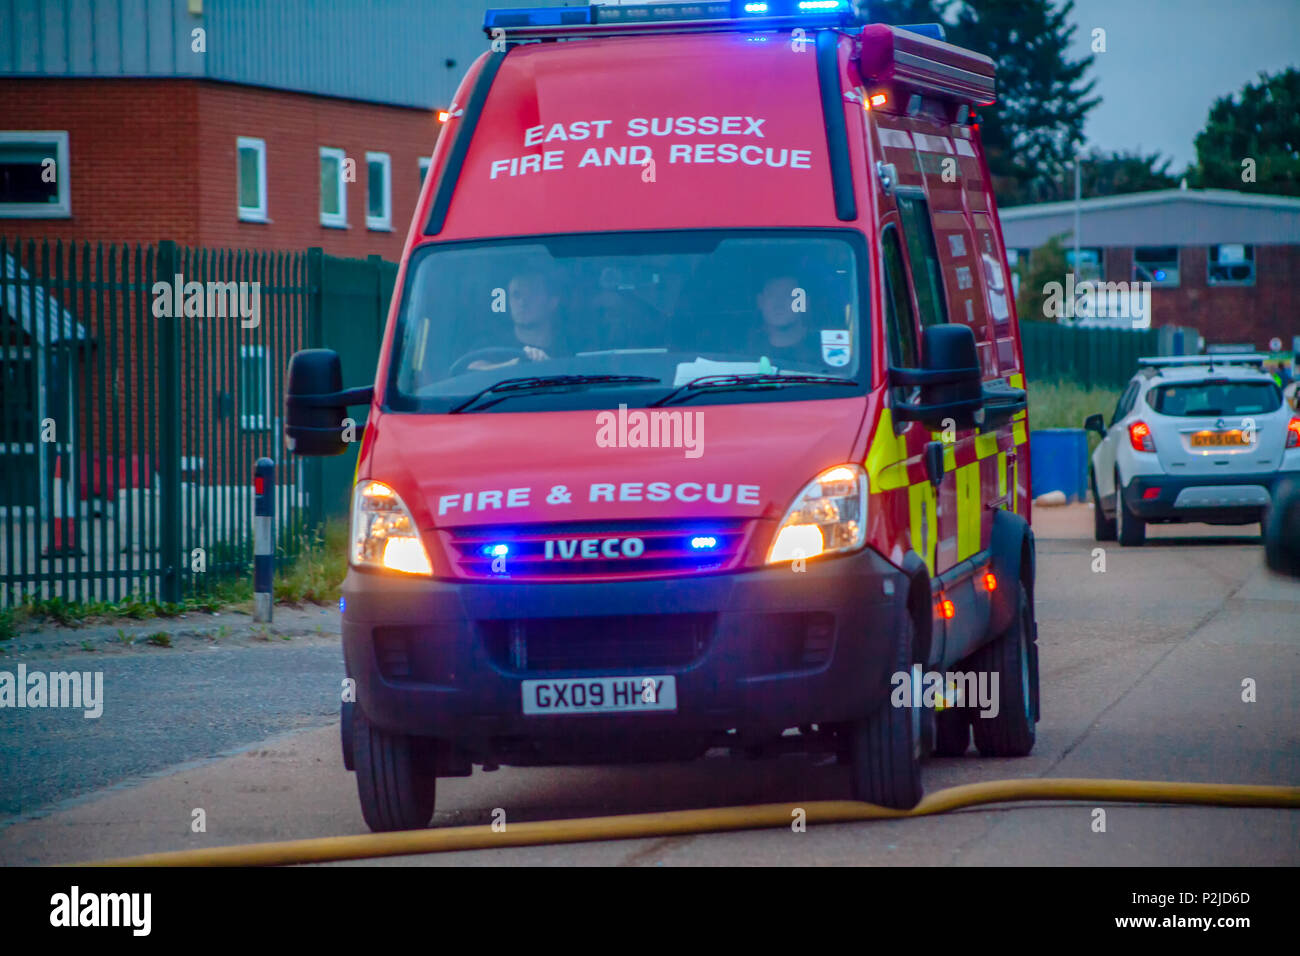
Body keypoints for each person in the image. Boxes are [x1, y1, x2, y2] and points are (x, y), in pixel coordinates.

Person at [468, 270, 572, 370]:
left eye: (532, 294)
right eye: (516, 295)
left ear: (552, 302)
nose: (522, 302)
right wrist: (514, 365)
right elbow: (470, 372)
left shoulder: (570, 347)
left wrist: (550, 366)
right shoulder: (491, 344)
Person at [747, 274, 840, 369]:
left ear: (804, 302)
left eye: (790, 295)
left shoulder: (826, 354)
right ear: (760, 302)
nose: (779, 303)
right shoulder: (746, 355)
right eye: (772, 295)